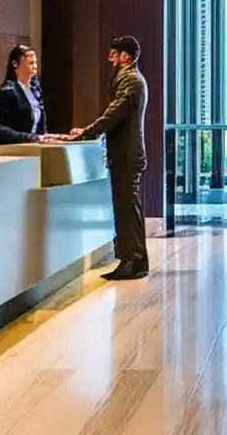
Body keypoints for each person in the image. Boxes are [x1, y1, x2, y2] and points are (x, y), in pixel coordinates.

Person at [72, 36, 149, 280]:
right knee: (125, 210)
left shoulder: (131, 81)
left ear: (126, 56)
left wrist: (86, 132)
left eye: (114, 54)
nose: (111, 59)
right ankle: (130, 260)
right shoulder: (128, 79)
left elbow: (114, 114)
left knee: (127, 211)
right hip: (124, 155)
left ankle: (134, 261)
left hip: (127, 156)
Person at [0, 44, 62, 146]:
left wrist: (53, 137)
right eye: (31, 63)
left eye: (35, 63)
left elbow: (41, 130)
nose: (35, 66)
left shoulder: (35, 91)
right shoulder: (8, 91)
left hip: (33, 148)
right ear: (15, 64)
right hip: (14, 149)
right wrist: (31, 138)